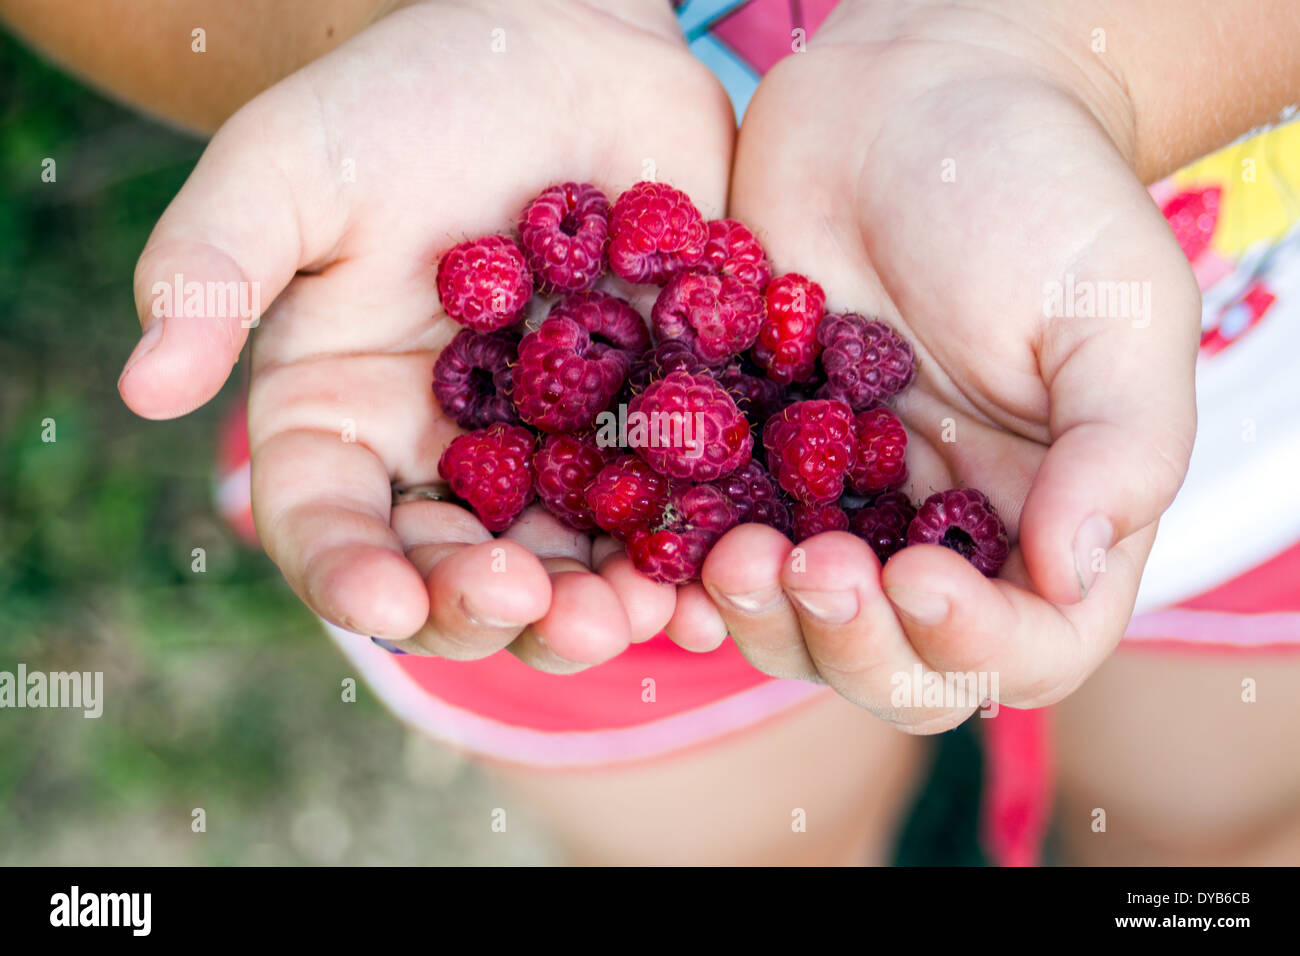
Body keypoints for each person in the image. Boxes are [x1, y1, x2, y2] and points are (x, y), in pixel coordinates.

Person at [7, 0, 1299, 865]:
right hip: (576, 565)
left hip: (1235, 386)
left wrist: (1088, 64)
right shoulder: (555, 407)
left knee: (1225, 830)